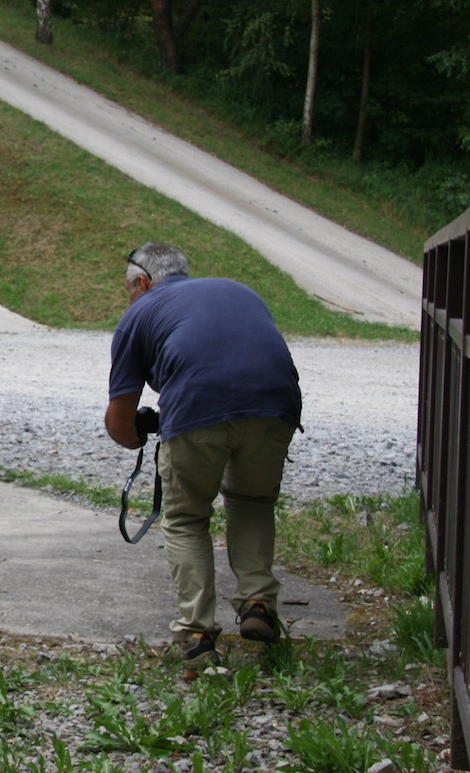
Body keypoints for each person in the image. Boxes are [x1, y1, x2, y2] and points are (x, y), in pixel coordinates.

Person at [104, 242, 302, 671]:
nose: (130, 299)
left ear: (142, 282)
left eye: (129, 290)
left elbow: (119, 423)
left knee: (187, 518)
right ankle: (258, 605)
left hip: (196, 410)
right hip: (277, 405)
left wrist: (143, 430)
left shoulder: (139, 314)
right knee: (251, 501)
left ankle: (196, 632)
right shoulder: (238, 291)